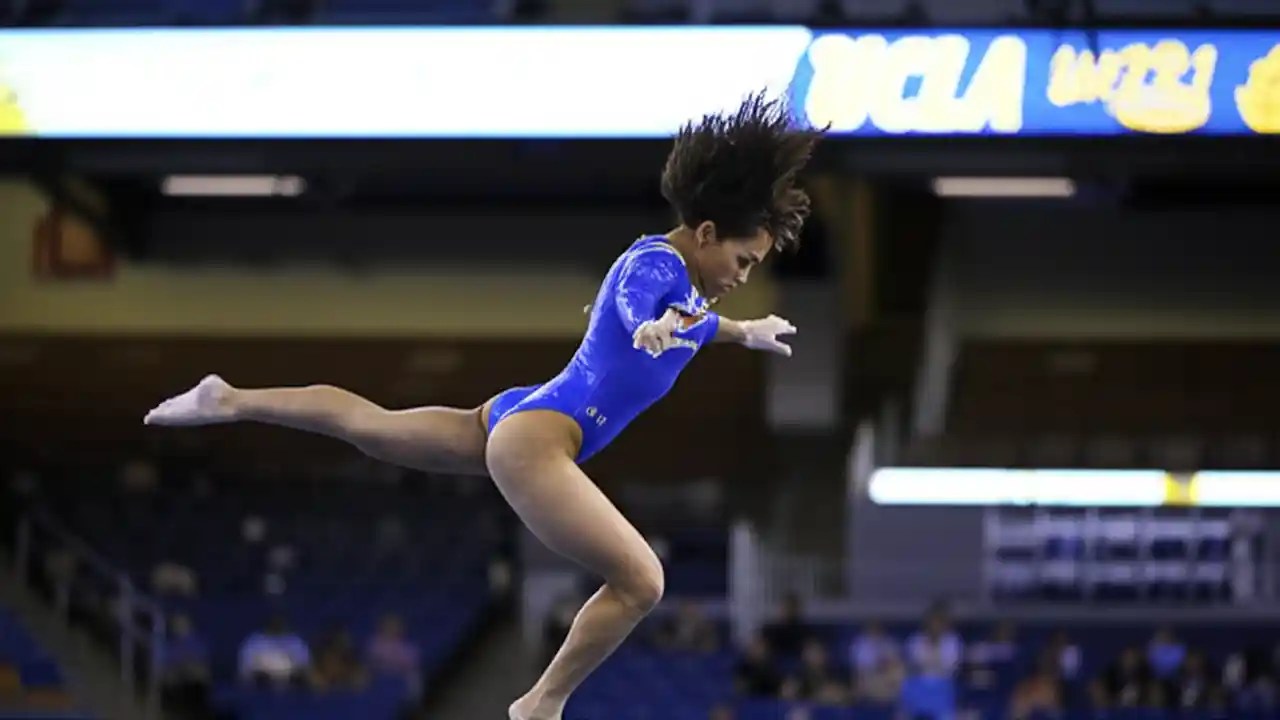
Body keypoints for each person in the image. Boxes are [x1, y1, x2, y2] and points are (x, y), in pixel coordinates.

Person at [143, 91, 822, 720]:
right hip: (539, 440)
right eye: (744, 258)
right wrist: (645, 322)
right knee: (642, 582)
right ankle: (540, 705)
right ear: (705, 232)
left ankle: (227, 397)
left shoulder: (686, 291)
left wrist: (740, 332)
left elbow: (688, 321)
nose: (743, 276)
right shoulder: (657, 270)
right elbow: (635, 299)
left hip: (520, 413)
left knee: (368, 425)